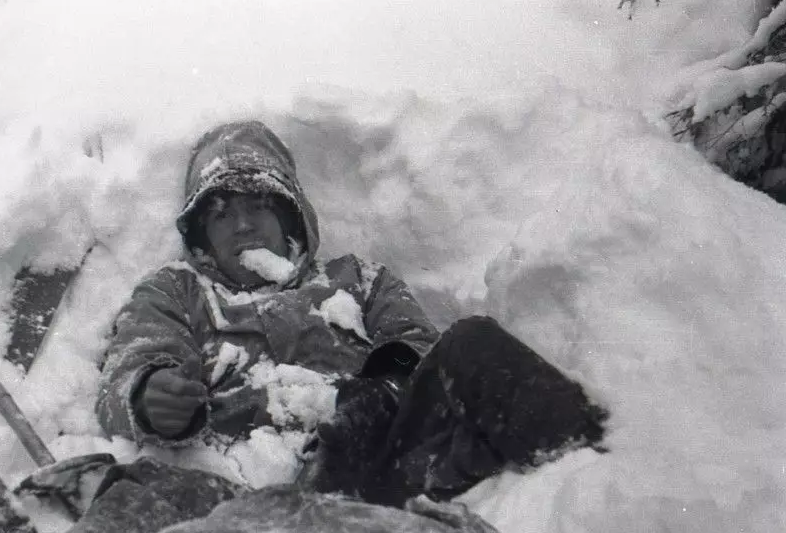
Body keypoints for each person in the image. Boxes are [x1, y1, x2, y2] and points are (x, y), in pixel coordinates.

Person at [95, 119, 607, 505]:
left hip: (379, 459)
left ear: (288, 212)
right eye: (221, 214)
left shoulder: (357, 279)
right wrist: (149, 395)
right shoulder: (177, 289)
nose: (242, 225)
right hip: (242, 488)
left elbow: (419, 346)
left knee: (476, 345)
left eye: (256, 205)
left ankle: (593, 499)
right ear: (201, 235)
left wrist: (381, 390)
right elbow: (136, 357)